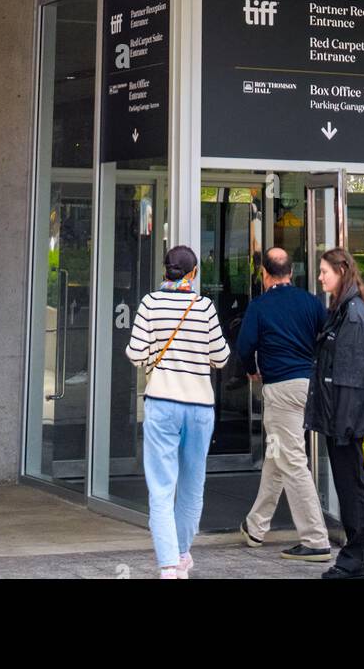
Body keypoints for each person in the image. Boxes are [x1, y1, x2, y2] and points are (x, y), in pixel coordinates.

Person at [127, 244, 229, 579]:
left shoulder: (149, 303)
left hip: (162, 403)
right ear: (193, 272)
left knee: (160, 487)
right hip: (200, 407)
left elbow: (136, 353)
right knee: (191, 485)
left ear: (164, 270)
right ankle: (183, 554)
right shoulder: (205, 307)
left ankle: (169, 566)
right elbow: (221, 357)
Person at [236, 247, 331, 562]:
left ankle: (316, 539)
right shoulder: (311, 302)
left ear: (264, 274)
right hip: (308, 385)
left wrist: (251, 370)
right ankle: (255, 525)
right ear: (291, 272)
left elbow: (245, 346)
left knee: (292, 461)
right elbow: (325, 338)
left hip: (280, 388)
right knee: (277, 455)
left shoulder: (260, 306)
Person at [305, 247, 364, 580]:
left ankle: (353, 558)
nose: (321, 277)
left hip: (345, 419)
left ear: (341, 271)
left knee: (350, 487)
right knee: (352, 486)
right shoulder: (343, 309)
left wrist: (344, 424)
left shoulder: (351, 314)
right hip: (341, 417)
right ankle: (362, 553)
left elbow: (351, 376)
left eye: (325, 271)